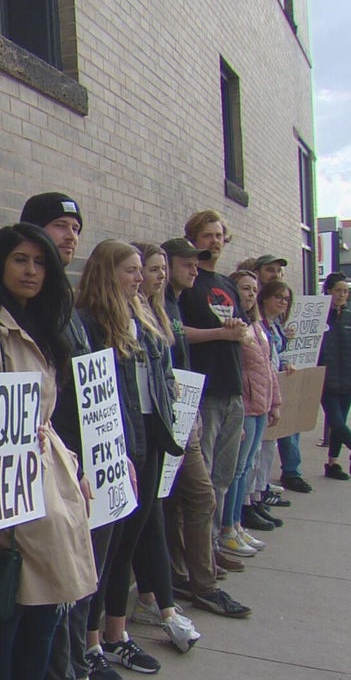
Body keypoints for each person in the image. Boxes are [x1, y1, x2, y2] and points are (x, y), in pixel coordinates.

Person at [0, 223, 96, 680]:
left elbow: (48, 415)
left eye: (40, 262)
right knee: (7, 623)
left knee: (44, 618)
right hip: (11, 500)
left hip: (50, 484)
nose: (32, 271)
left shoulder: (42, 325)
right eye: (20, 260)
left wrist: (73, 467)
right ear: (0, 265)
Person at [76, 240, 194, 674]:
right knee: (104, 548)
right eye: (130, 270)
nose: (140, 278)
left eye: (141, 270)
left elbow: (161, 371)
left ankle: (116, 632)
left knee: (130, 542)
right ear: (108, 273)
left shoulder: (141, 317)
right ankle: (90, 643)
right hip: (115, 446)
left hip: (151, 441)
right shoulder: (88, 323)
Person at [18, 192, 113, 680]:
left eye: (76, 227)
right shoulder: (26, 313)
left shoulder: (65, 308)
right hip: (49, 476)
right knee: (53, 597)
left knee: (79, 583)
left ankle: (79, 663)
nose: (71, 235)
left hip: (78, 467)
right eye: (59, 225)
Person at [158, 238, 253, 618]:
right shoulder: (162, 304)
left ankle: (197, 578)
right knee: (196, 496)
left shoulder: (172, 303)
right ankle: (193, 582)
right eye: (184, 264)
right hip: (171, 417)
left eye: (195, 265)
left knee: (199, 495)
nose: (193, 271)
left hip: (187, 410)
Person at [126, 242, 206, 652]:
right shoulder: (133, 314)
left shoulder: (161, 310)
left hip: (163, 423)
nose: (153, 277)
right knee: (146, 519)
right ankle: (162, 607)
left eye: (157, 269)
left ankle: (157, 600)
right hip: (141, 431)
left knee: (152, 516)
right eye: (149, 268)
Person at [177, 210, 250, 570]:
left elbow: (246, 331)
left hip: (233, 388)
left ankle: (214, 544)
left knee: (224, 475)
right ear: (193, 238)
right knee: (202, 481)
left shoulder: (227, 282)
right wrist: (220, 333)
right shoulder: (190, 284)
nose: (214, 241)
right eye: (207, 235)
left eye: (219, 235)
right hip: (204, 391)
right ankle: (199, 557)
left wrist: (238, 331)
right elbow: (178, 331)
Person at [218, 270, 282, 558]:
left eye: (254, 289)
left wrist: (275, 401)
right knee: (235, 469)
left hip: (261, 403)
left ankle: (236, 522)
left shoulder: (257, 326)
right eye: (244, 288)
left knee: (246, 467)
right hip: (244, 403)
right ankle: (227, 528)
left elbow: (268, 366)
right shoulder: (233, 326)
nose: (250, 294)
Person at [259, 280, 312, 493]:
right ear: (265, 298)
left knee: (269, 444)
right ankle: (254, 496)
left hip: (276, 385)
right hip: (261, 388)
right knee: (259, 448)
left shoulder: (276, 324)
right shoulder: (259, 324)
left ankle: (260, 489)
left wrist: (284, 363)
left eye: (286, 299)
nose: (283, 302)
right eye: (278, 297)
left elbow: (275, 355)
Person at [318, 272, 351, 480]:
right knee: (336, 421)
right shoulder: (321, 318)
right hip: (327, 380)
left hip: (350, 379)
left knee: (339, 422)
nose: (342, 295)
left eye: (345, 291)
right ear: (329, 291)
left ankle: (332, 463)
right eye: (338, 291)